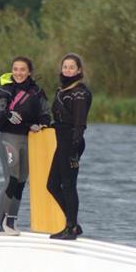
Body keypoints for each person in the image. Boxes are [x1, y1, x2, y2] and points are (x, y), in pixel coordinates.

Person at [0, 56, 51, 236]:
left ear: (29, 71)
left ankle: (11, 222)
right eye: (15, 69)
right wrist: (6, 114)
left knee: (21, 182)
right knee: (11, 180)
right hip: (9, 138)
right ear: (11, 71)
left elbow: (46, 113)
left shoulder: (37, 92)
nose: (18, 73)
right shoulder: (4, 91)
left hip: (28, 140)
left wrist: (41, 124)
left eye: (22, 70)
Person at [47, 53, 92, 240]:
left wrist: (74, 148)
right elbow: (61, 119)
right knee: (52, 185)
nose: (67, 70)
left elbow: (79, 122)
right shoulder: (64, 90)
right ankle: (73, 223)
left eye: (71, 67)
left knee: (68, 185)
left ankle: (71, 227)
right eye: (65, 67)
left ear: (79, 70)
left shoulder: (79, 92)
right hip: (62, 141)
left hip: (72, 142)